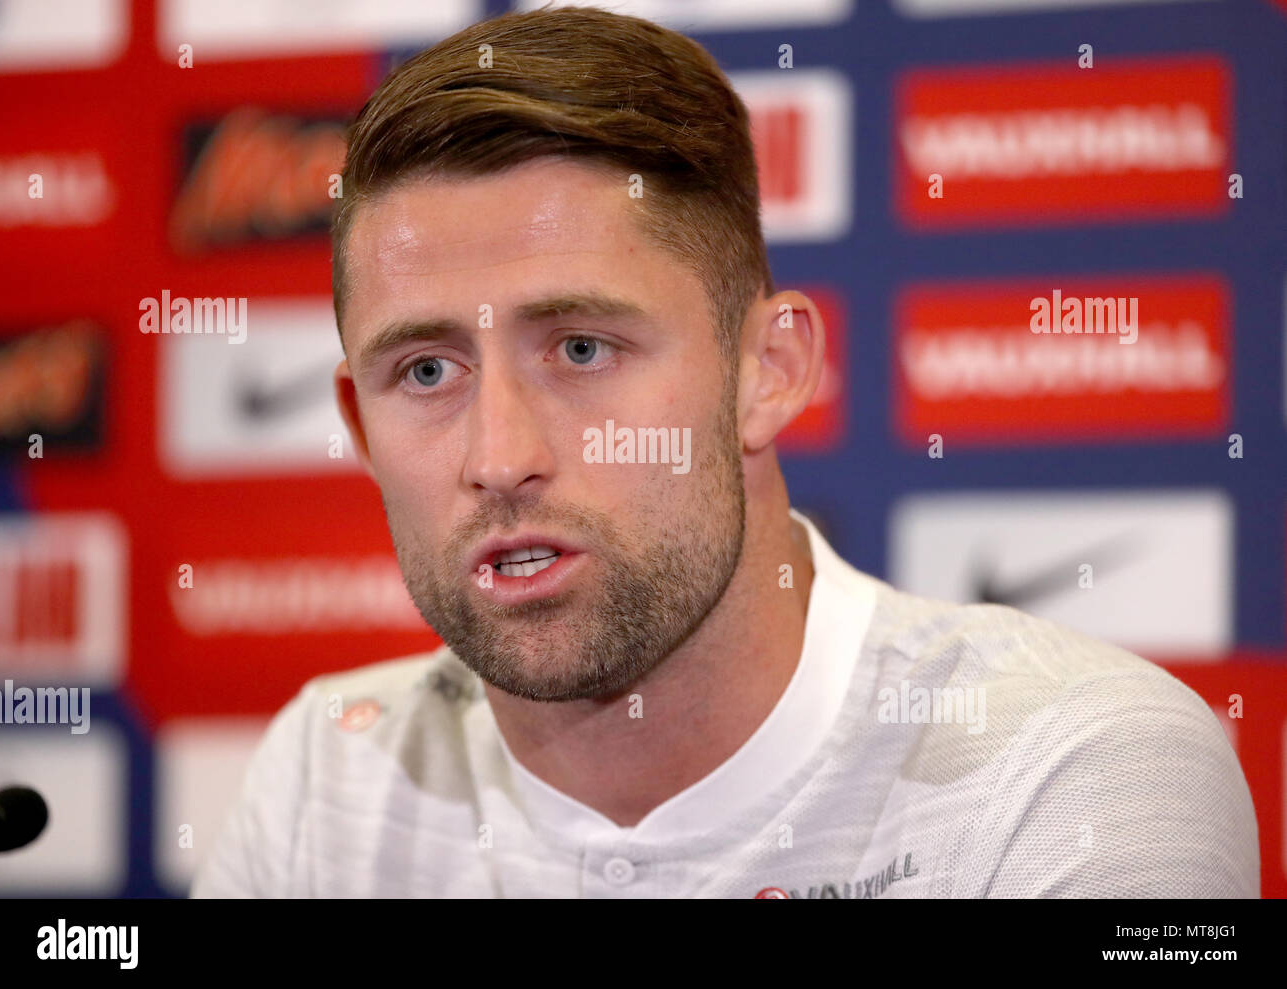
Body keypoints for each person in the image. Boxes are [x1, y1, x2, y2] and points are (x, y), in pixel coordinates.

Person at [191, 4, 1258, 898]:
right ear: (358, 422)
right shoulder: (325, 778)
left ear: (769, 369)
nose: (499, 454)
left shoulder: (1073, 768)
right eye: (425, 371)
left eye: (579, 346)